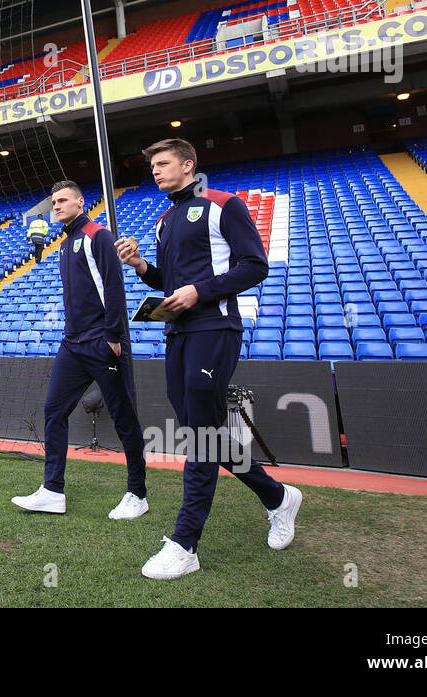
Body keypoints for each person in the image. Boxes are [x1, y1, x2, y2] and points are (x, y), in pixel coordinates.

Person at [116, 138, 301, 579]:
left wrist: (201, 291)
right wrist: (142, 265)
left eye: (163, 164)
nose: (155, 171)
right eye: (152, 166)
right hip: (176, 333)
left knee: (199, 436)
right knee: (207, 435)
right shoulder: (163, 220)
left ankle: (184, 544)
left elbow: (255, 265)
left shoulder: (223, 205)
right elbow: (169, 282)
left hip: (215, 330)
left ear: (188, 165)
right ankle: (278, 498)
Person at [12, 180, 148, 520]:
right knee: (54, 410)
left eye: (62, 200)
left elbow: (114, 287)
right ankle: (52, 490)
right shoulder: (63, 243)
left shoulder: (97, 236)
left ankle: (137, 493)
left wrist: (114, 336)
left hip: (103, 342)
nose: (56, 206)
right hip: (72, 344)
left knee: (123, 417)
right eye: (53, 201)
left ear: (80, 202)